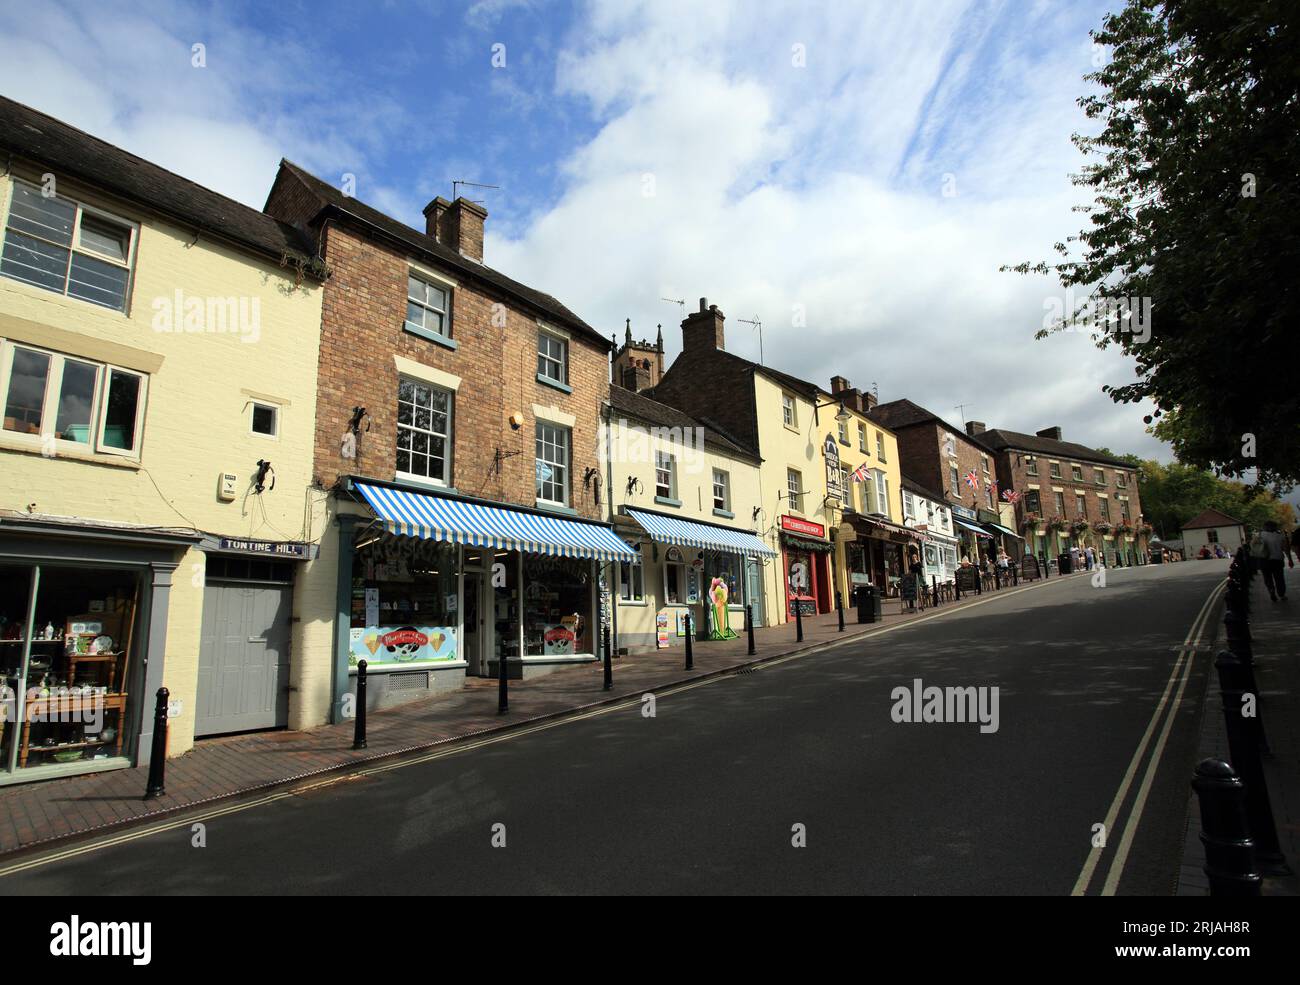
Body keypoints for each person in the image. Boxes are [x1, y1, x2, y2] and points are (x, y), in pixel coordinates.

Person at [1257, 521, 1293, 601]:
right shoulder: (1280, 536)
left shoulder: (1260, 535)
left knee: (1267, 578)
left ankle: (1271, 590)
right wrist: (1290, 560)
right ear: (1275, 527)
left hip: (1264, 560)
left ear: (1265, 527)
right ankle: (1281, 594)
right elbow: (1286, 549)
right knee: (1279, 578)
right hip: (1278, 560)